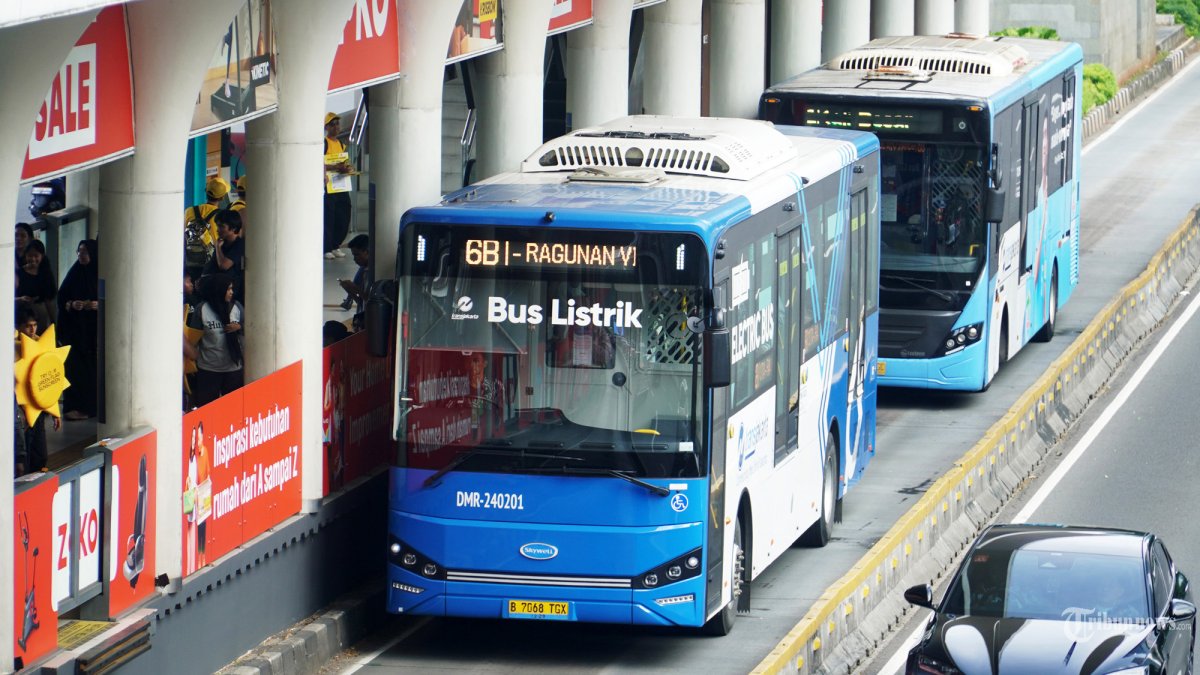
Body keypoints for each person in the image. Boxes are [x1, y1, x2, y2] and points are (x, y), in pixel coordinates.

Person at [57, 239, 99, 420]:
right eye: (79, 251)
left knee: (91, 370)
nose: (81, 255)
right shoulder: (74, 273)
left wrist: (96, 305)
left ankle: (89, 408)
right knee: (74, 369)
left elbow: (112, 299)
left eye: (85, 252)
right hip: (76, 332)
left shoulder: (99, 273)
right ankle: (74, 406)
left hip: (93, 333)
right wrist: (72, 304)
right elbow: (62, 296)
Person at [15, 302, 59, 473]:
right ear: (18, 327)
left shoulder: (41, 344)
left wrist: (54, 410)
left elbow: (50, 378)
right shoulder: (12, 349)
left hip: (38, 409)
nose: (32, 329)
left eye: (34, 325)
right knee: (24, 458)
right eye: (28, 326)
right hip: (21, 412)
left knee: (39, 455)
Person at [189, 273, 244, 408]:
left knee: (233, 408)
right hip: (209, 369)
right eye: (228, 289)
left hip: (233, 367)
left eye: (232, 289)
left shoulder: (236, 307)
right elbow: (193, 338)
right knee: (207, 408)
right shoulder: (202, 309)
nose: (231, 292)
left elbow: (250, 328)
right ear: (219, 289)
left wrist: (239, 327)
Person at [184, 176, 230, 280]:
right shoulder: (222, 216)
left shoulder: (189, 211)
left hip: (189, 260)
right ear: (222, 198)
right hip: (211, 263)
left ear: (206, 192)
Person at [323, 112, 354, 260]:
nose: (336, 127)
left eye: (337, 124)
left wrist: (347, 168)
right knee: (329, 218)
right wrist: (334, 167)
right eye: (332, 124)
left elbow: (343, 162)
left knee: (343, 216)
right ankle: (327, 247)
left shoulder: (341, 144)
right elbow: (321, 163)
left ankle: (335, 245)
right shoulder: (324, 143)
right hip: (329, 187)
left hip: (341, 185)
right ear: (326, 127)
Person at [204, 210, 245, 302]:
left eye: (222, 226)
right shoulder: (223, 243)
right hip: (216, 287)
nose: (218, 230)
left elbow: (224, 265)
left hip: (230, 291)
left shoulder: (239, 245)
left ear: (233, 228)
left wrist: (218, 247)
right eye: (217, 226)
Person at [16, 239, 57, 331]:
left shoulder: (45, 273)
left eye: (36, 256)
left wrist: (53, 321)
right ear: (25, 255)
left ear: (42, 256)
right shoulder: (18, 273)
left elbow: (48, 300)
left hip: (40, 316)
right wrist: (20, 299)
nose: (33, 259)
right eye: (30, 255)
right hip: (22, 317)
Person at [338, 234, 370, 312]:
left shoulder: (374, 274)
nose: (354, 259)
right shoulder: (364, 269)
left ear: (367, 252)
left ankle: (348, 300)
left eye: (357, 255)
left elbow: (372, 302)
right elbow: (361, 303)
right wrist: (350, 290)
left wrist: (356, 289)